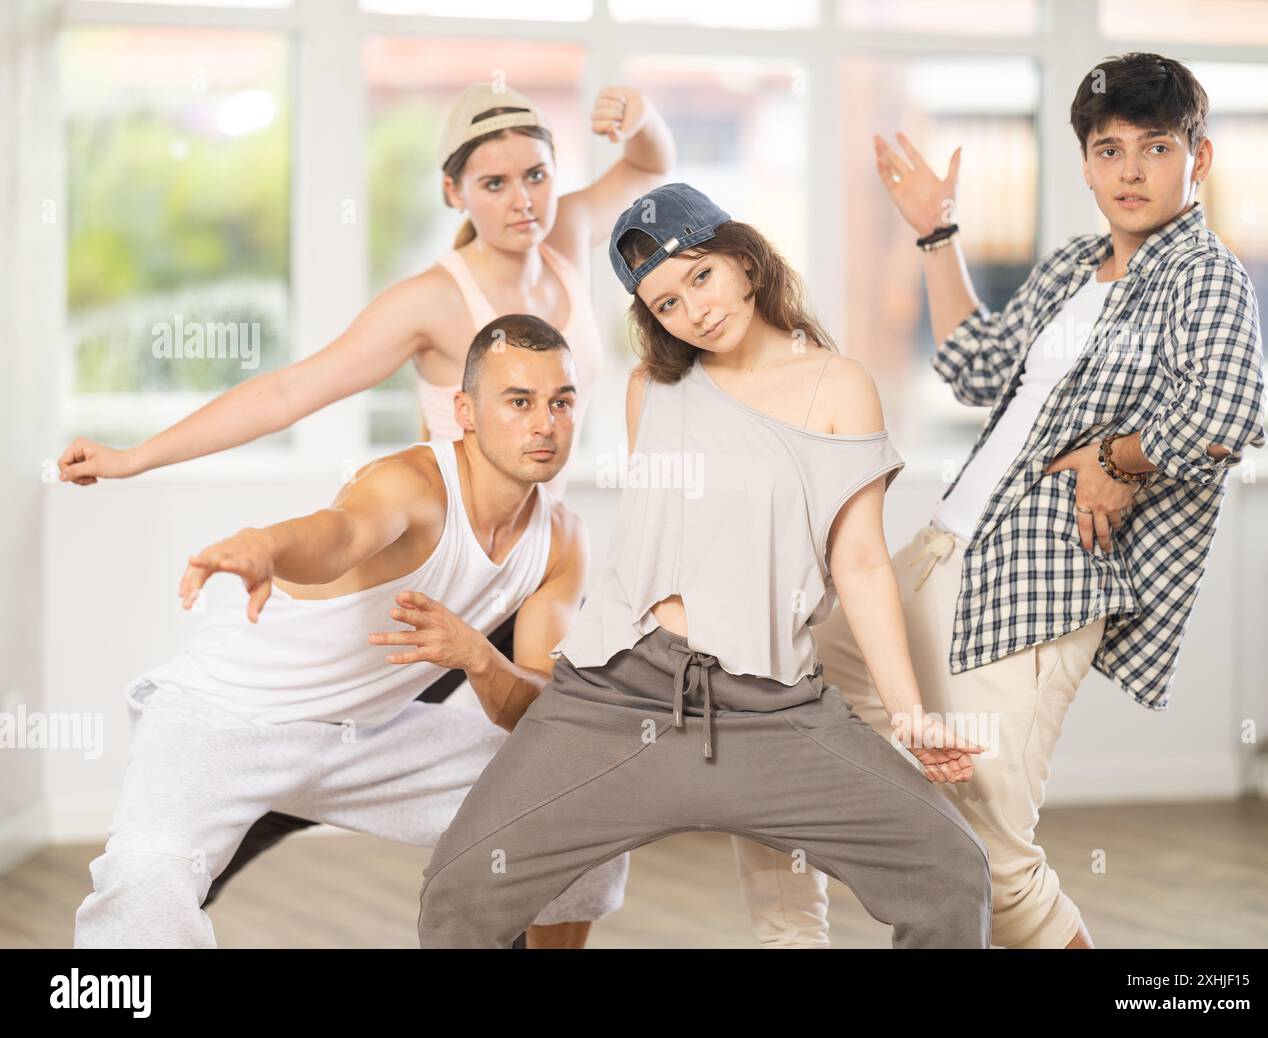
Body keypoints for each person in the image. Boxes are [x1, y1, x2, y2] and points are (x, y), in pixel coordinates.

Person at [61, 80, 674, 902]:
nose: (523, 200)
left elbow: (648, 161)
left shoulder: (565, 228)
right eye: (494, 184)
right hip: (428, 564)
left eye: (537, 174)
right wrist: (137, 458)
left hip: (525, 557)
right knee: (298, 762)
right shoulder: (430, 300)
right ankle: (177, 869)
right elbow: (291, 393)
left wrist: (639, 118)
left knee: (562, 778)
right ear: (453, 192)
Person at [734, 51, 1268, 949]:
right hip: (941, 553)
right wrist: (937, 234)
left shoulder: (1203, 275)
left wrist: (1120, 457)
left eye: (1155, 147)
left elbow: (1228, 412)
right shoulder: (1075, 264)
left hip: (1037, 589)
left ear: (1199, 159)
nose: (1131, 171)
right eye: (1108, 150)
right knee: (775, 702)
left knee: (993, 854)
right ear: (1086, 162)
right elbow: (976, 363)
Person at [416, 183, 992, 949]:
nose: (693, 309)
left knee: (952, 870)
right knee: (458, 891)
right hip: (615, 696)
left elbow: (859, 565)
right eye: (665, 304)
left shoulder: (839, 385)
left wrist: (911, 715)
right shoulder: (650, 390)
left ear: (745, 262)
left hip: (770, 708)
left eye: (700, 276)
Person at [73, 315, 628, 949]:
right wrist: (264, 546)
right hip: (226, 720)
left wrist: (479, 658)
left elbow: (539, 711)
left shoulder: (561, 540)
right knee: (143, 888)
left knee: (581, 783)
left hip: (366, 739)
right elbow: (340, 534)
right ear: (465, 412)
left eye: (561, 402)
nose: (544, 423)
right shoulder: (412, 484)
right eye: (519, 401)